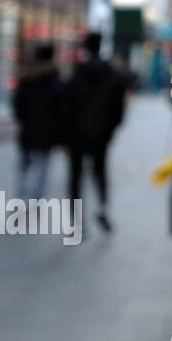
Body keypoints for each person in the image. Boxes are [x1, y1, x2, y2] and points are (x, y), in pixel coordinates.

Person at [64, 32, 126, 233]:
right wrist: (110, 129)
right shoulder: (112, 74)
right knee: (100, 172)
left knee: (76, 175)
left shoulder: (77, 73)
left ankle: (76, 221)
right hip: (101, 133)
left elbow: (67, 105)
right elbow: (119, 108)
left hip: (76, 133)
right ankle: (102, 210)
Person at [12, 42, 63, 200]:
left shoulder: (26, 78)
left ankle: (22, 197)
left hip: (28, 129)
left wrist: (22, 119)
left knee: (25, 165)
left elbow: (18, 104)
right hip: (46, 132)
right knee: (42, 167)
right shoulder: (55, 81)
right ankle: (36, 199)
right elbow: (60, 109)